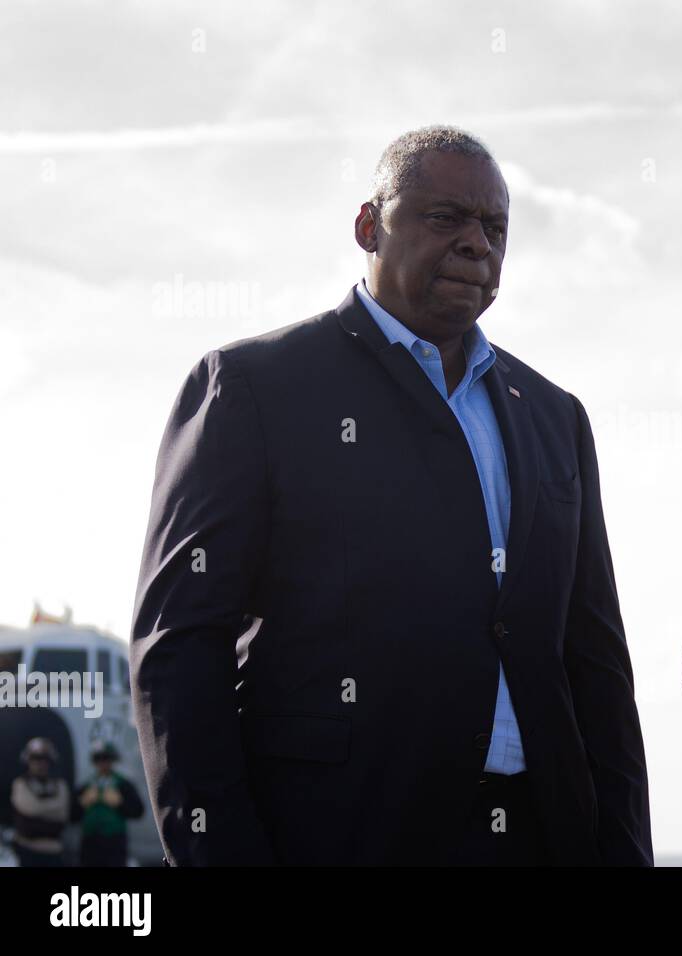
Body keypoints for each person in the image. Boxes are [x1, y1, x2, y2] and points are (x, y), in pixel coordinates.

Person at [131, 126, 652, 866]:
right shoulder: (252, 388)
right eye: (445, 218)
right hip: (335, 835)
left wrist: (625, 849)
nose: (477, 244)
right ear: (369, 226)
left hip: (541, 837)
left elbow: (595, 662)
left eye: (495, 227)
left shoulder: (554, 415)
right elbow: (179, 645)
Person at [72, 740, 145, 867]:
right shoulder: (86, 786)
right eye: (98, 759)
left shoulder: (123, 784)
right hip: (90, 844)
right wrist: (83, 804)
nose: (102, 763)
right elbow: (72, 816)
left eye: (106, 758)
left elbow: (138, 811)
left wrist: (119, 803)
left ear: (112, 760)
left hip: (114, 842)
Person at [10, 738, 69, 867]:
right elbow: (30, 809)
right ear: (28, 761)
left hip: (54, 855)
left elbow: (62, 815)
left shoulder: (61, 785)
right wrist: (51, 810)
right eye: (35, 759)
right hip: (28, 853)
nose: (40, 763)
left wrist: (39, 812)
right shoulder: (20, 784)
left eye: (44, 759)